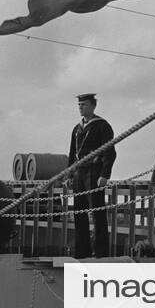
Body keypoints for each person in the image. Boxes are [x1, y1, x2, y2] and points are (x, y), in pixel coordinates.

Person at [67, 93, 115, 258]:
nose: (81, 107)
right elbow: (72, 154)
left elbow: (110, 152)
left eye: (84, 105)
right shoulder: (77, 129)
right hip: (80, 172)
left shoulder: (102, 126)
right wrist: (69, 175)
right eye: (79, 105)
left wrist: (104, 174)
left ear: (93, 106)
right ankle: (82, 252)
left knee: (97, 212)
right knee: (79, 213)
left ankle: (101, 252)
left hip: (94, 171)